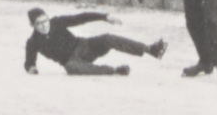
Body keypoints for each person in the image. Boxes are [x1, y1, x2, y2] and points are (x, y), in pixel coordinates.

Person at [24, 7, 167, 76]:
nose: (44, 25)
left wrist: (105, 17)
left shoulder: (57, 22)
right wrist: (32, 69)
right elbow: (29, 63)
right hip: (71, 61)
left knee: (108, 38)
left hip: (84, 46)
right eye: (39, 24)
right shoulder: (33, 42)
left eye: (45, 21)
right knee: (72, 68)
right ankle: (115, 71)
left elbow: (81, 17)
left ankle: (150, 49)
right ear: (32, 26)